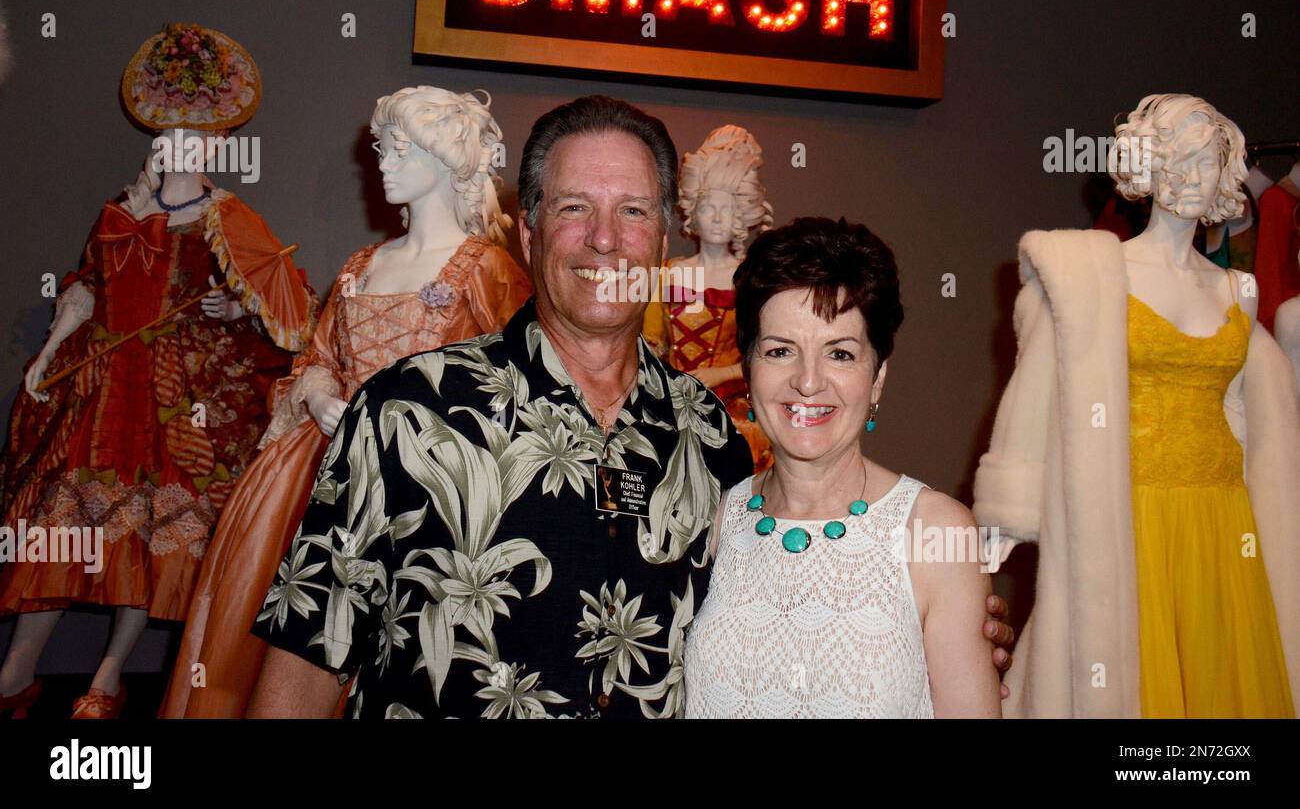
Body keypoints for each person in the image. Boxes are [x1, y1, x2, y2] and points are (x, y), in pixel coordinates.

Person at [245, 94, 1015, 718]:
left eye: (636, 212)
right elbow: (304, 665)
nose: (606, 240)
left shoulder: (711, 440)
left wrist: (939, 628)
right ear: (528, 227)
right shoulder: (407, 413)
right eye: (576, 206)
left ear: (664, 241)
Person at [159, 86, 531, 718]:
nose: (383, 162)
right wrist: (321, 396)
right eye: (382, 147)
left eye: (400, 149)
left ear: (445, 159)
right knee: (288, 635)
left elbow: (517, 379)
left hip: (426, 490)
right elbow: (317, 357)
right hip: (322, 475)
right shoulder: (363, 264)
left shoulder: (486, 269)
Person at [0, 23, 302, 719]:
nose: (188, 144)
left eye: (201, 134)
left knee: (150, 532)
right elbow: (87, 287)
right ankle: (18, 667)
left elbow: (276, 298)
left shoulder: (227, 216)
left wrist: (235, 307)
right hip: (104, 390)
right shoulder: (121, 207)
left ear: (217, 142)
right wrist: (47, 354)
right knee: (63, 523)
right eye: (176, 132)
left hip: (175, 390)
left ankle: (107, 675)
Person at [974, 94, 1298, 717]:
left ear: (1227, 176)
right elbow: (1037, 389)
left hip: (1226, 520)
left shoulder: (1239, 289)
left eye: (1207, 162)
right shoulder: (1092, 273)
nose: (1190, 176)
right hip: (1129, 514)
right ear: (1146, 168)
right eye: (1176, 158)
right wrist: (1006, 518)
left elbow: (1240, 408)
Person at [683, 217, 1001, 717]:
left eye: (840, 354)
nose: (808, 382)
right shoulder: (715, 518)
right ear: (748, 369)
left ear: (876, 379)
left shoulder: (936, 533)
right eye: (781, 351)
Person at [643, 124, 775, 471]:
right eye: (707, 207)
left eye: (726, 208)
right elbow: (649, 348)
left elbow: (774, 355)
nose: (716, 218)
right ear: (691, 212)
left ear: (742, 215)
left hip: (737, 422)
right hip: (671, 415)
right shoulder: (667, 273)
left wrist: (723, 374)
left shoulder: (755, 279)